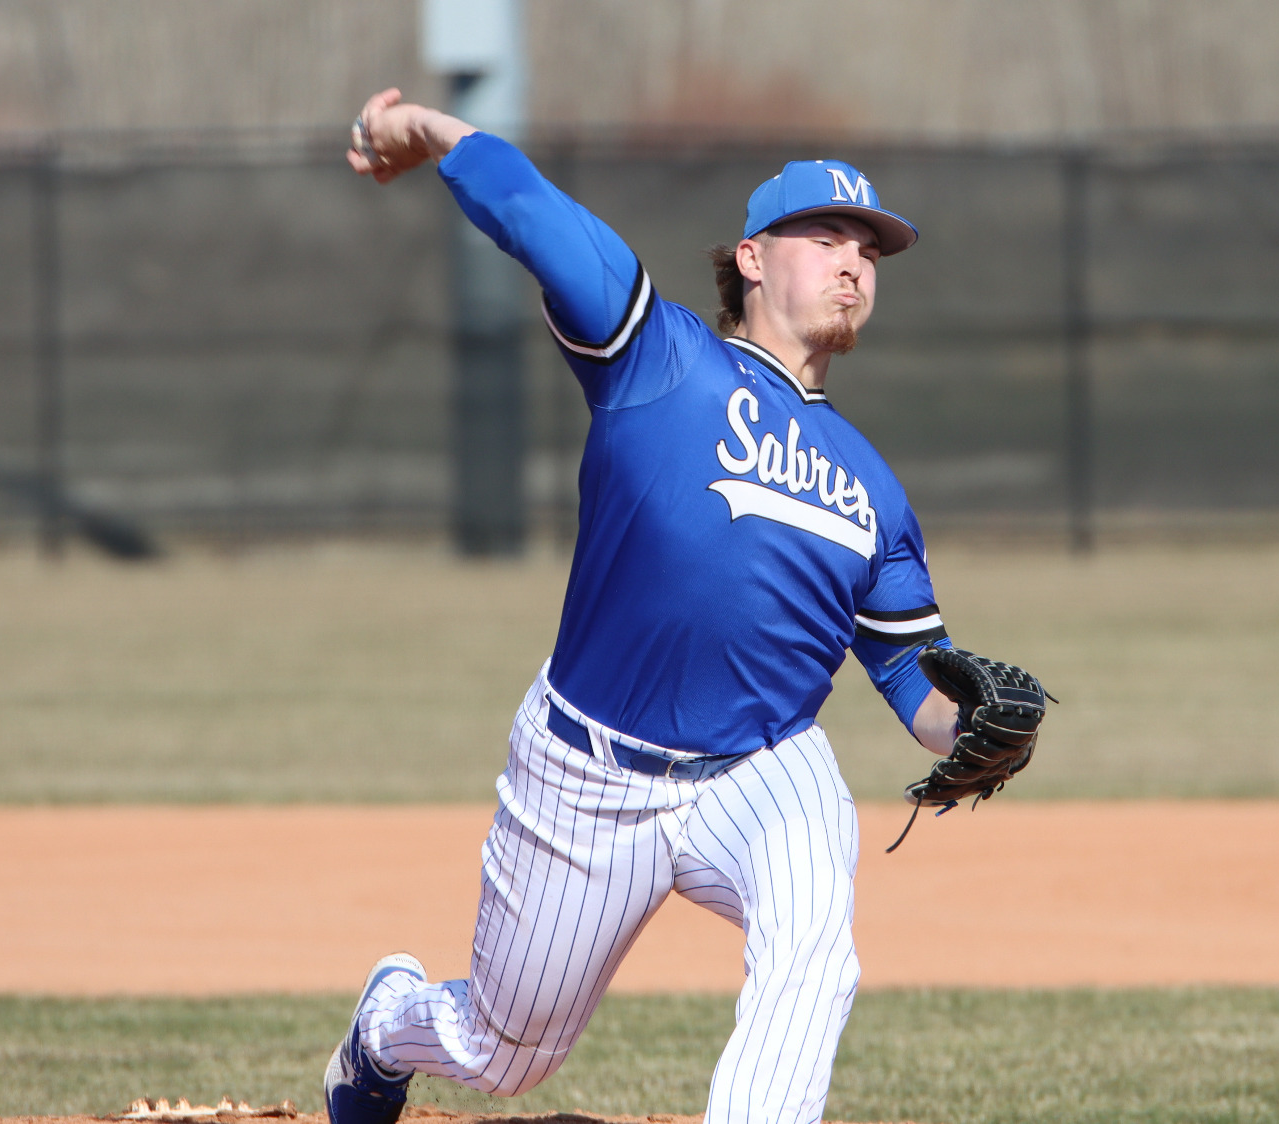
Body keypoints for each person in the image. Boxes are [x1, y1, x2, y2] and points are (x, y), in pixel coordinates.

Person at [327, 87, 970, 1124]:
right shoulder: (656, 357)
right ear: (751, 257)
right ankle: (388, 1021)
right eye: (823, 235)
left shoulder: (872, 489)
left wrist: (973, 723)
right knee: (505, 1050)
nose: (853, 260)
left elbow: (911, 674)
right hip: (586, 771)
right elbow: (532, 213)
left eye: (869, 248)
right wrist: (431, 132)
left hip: (759, 766)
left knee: (814, 929)